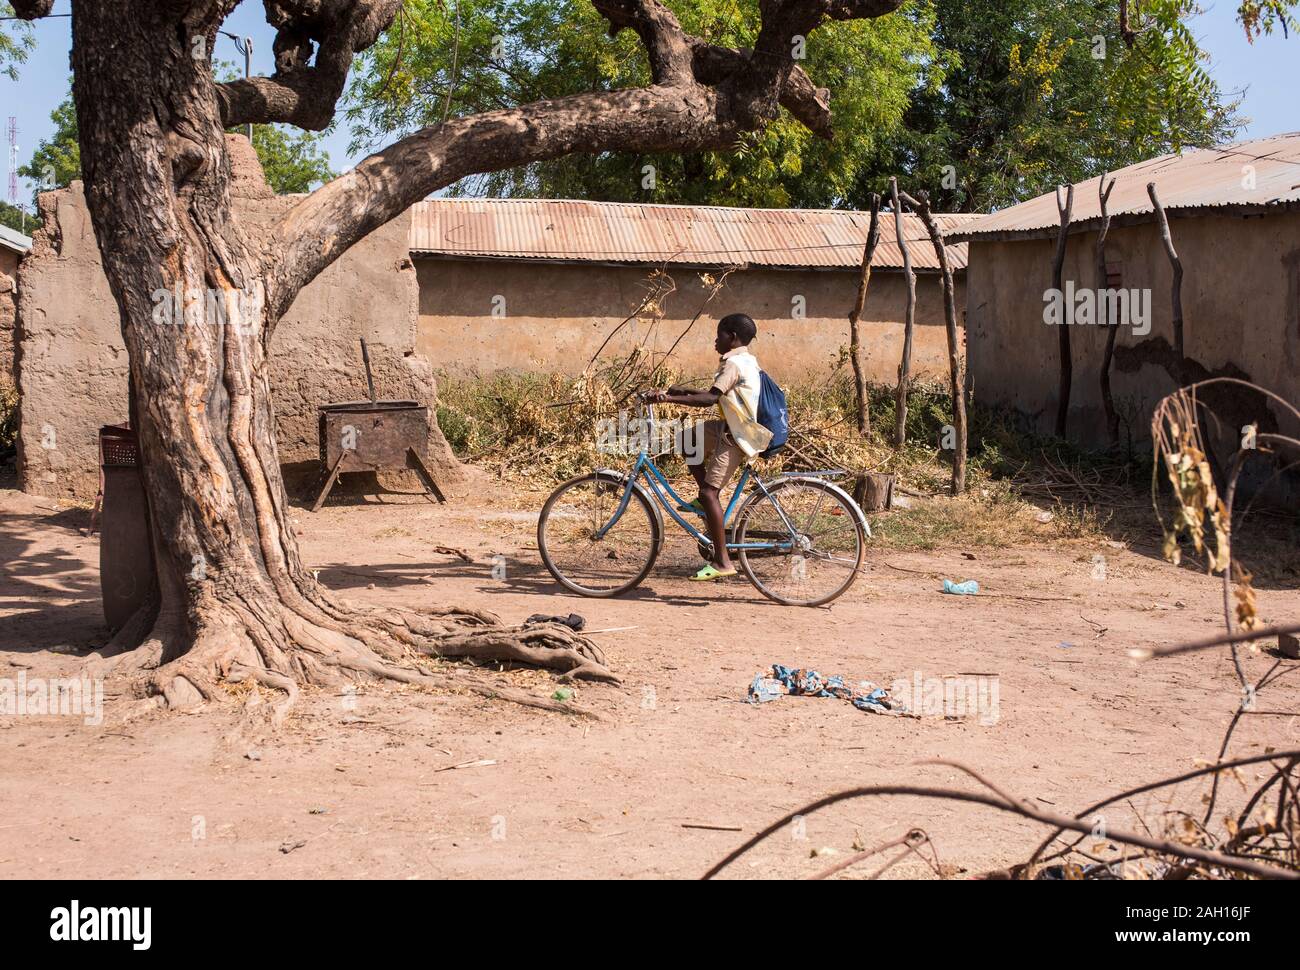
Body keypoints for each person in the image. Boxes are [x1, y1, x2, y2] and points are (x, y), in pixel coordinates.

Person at [647, 312, 773, 581]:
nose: (716, 340)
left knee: (709, 492)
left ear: (733, 337)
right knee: (687, 440)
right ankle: (706, 504)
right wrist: (676, 390)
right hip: (732, 427)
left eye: (719, 335)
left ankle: (722, 561)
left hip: (738, 436)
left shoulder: (734, 364)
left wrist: (668, 399)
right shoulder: (744, 360)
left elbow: (709, 399)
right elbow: (715, 393)